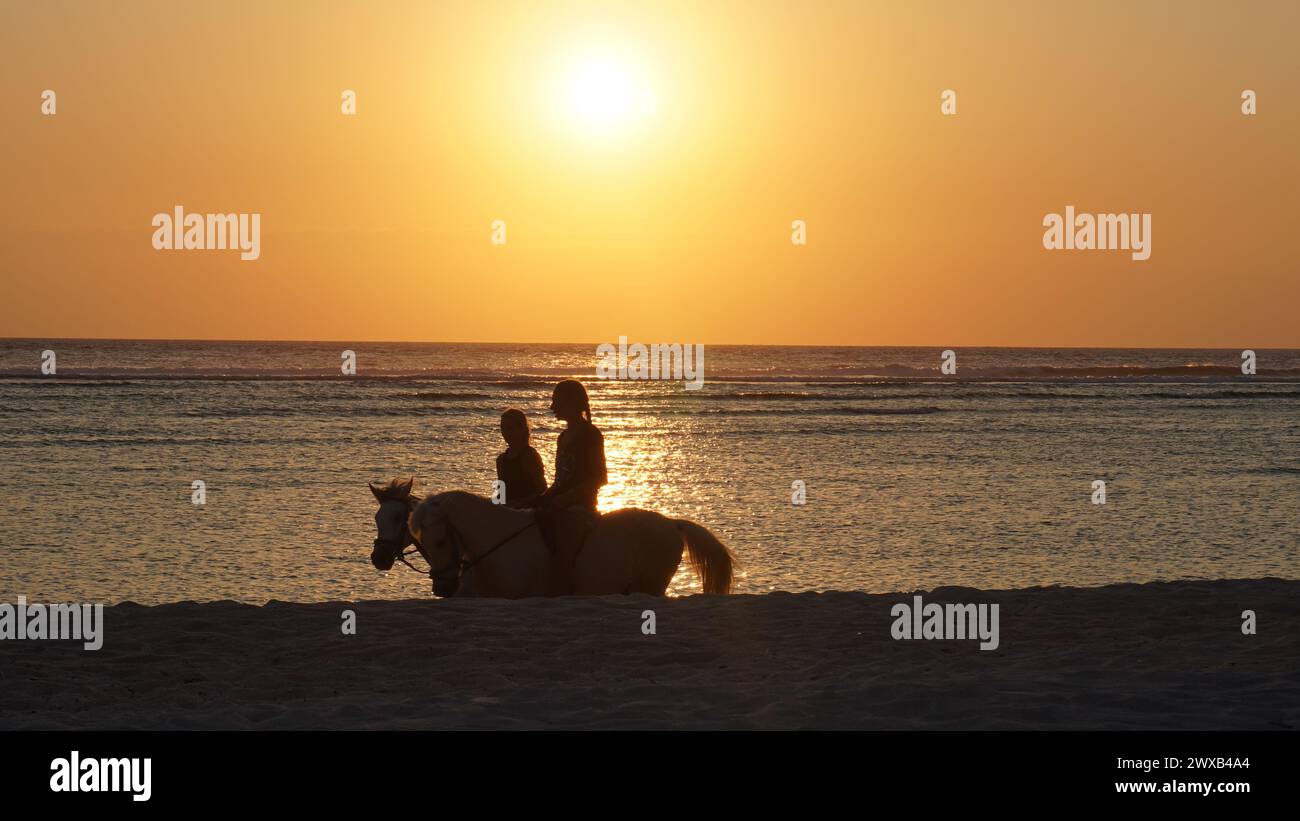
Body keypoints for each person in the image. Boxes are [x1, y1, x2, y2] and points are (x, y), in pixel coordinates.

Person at [536, 379, 607, 594]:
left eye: (557, 401)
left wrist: (565, 499)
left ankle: (566, 590)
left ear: (572, 402)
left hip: (580, 507)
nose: (552, 407)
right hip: (559, 504)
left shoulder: (591, 434)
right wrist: (542, 497)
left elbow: (598, 477)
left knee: (563, 550)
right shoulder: (563, 437)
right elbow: (560, 481)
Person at [495, 408, 547, 507]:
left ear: (522, 429)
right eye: (503, 428)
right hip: (507, 511)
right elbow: (499, 495)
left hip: (527, 512)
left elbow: (543, 491)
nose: (505, 433)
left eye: (510, 428)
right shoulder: (501, 460)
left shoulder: (530, 456)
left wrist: (520, 503)